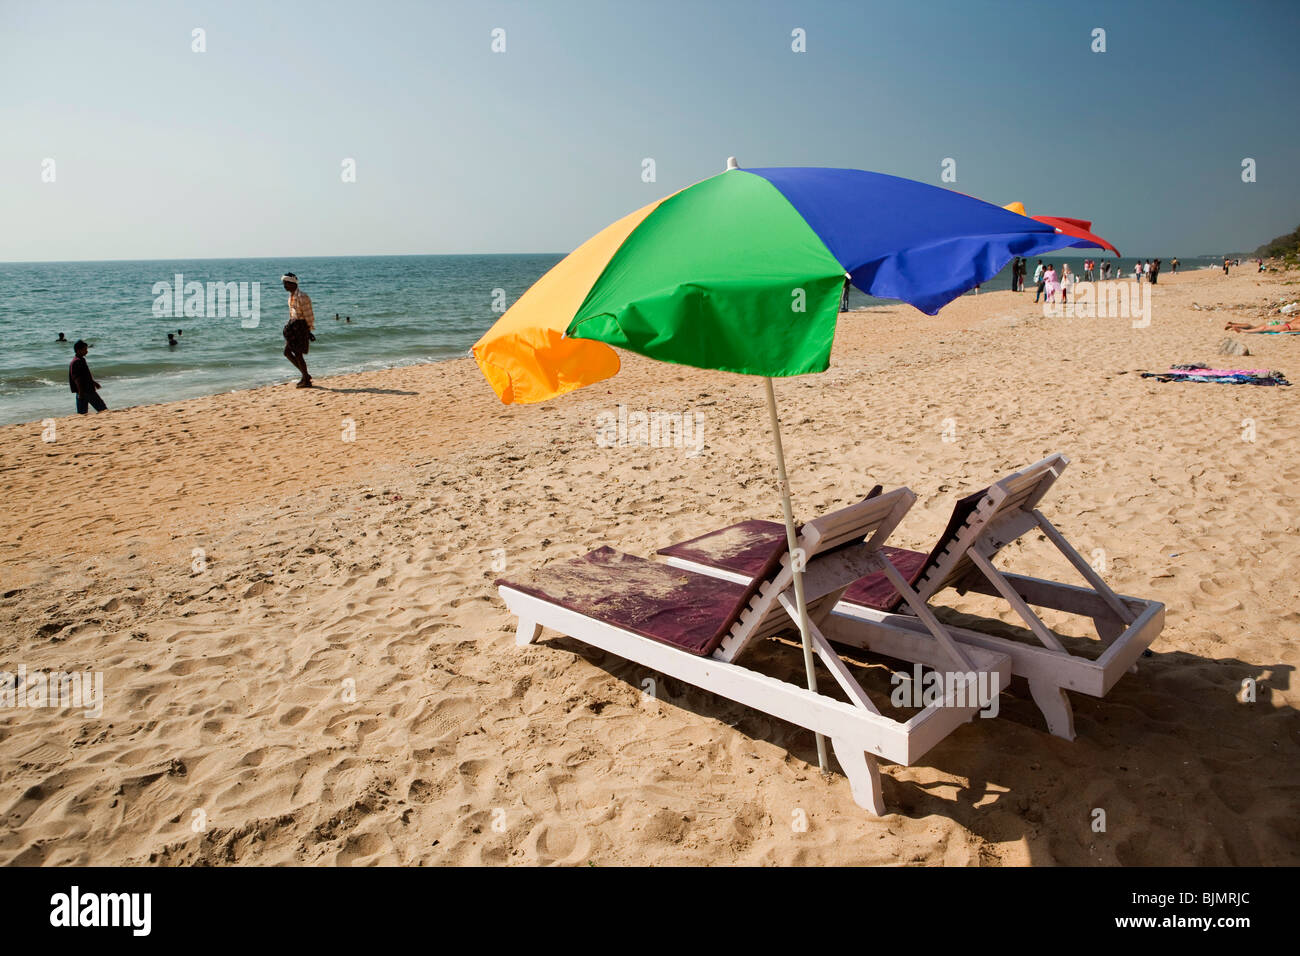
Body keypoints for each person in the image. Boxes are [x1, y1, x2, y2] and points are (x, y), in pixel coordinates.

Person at [280, 272, 315, 388]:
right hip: (293, 327)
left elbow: (308, 315)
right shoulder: (291, 297)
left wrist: (309, 330)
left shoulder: (302, 297)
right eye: (284, 284)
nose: (284, 286)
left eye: (286, 284)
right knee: (287, 352)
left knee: (298, 354)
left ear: (293, 284)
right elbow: (292, 314)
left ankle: (306, 379)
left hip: (301, 327)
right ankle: (305, 376)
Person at [69, 340, 106, 414]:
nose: (87, 351)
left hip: (85, 390)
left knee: (82, 413)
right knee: (102, 409)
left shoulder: (81, 360)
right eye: (85, 349)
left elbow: (85, 375)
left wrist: (94, 382)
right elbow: (77, 379)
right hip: (86, 391)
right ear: (78, 350)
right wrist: (80, 392)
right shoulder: (77, 362)